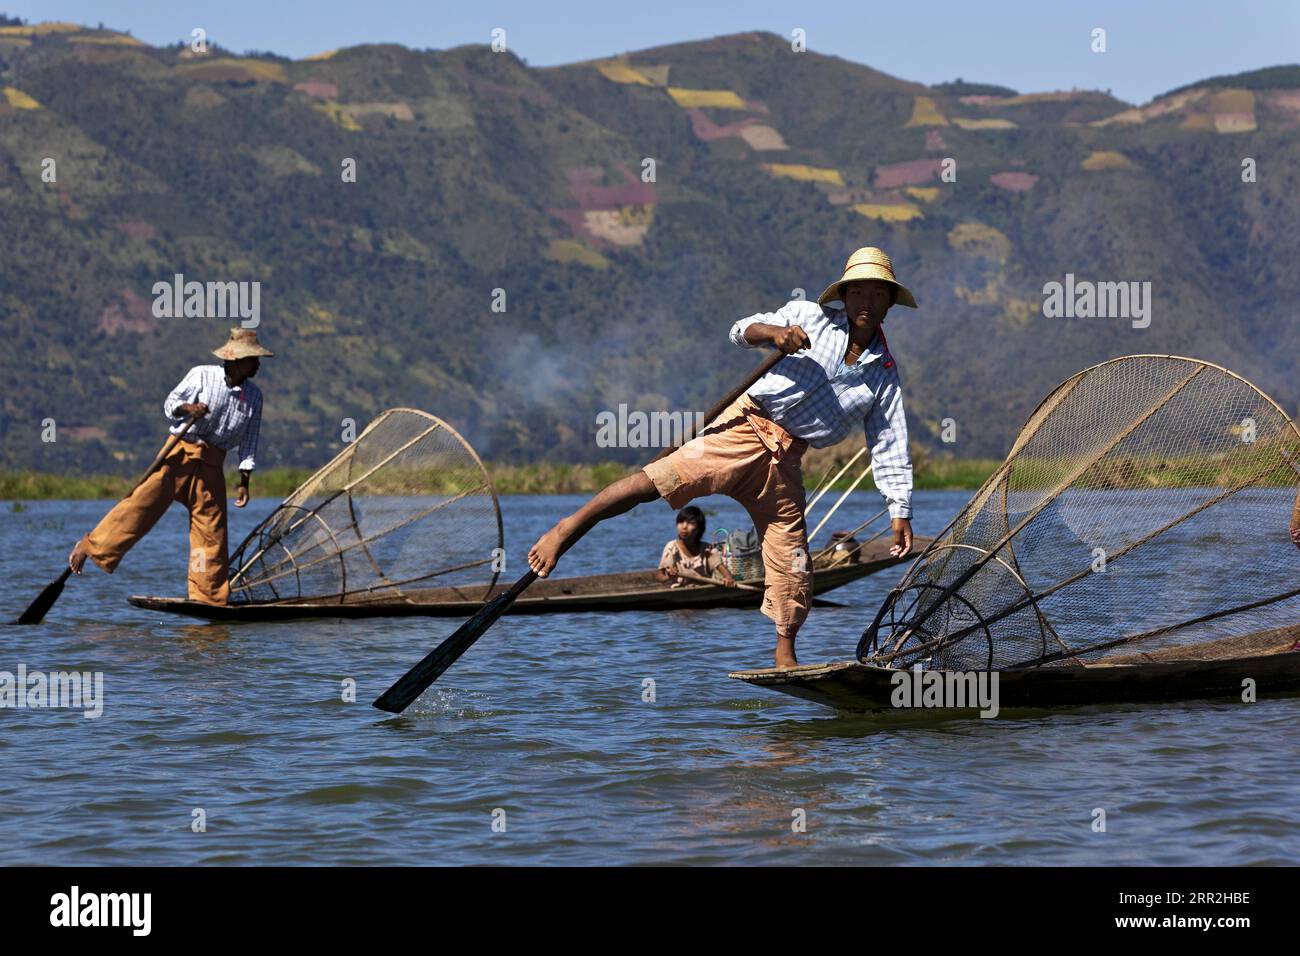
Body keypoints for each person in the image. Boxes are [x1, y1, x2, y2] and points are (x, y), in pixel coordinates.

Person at [528, 246, 917, 668]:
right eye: (857, 293)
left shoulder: (884, 372)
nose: (867, 303)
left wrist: (900, 512)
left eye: (877, 295)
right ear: (843, 297)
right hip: (744, 427)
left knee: (794, 560)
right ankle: (566, 529)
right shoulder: (810, 317)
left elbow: (889, 440)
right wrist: (773, 334)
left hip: (784, 460)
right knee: (653, 482)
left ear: (890, 303)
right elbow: (738, 330)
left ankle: (785, 656)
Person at [67, 328, 273, 605]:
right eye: (253, 359)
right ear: (236, 359)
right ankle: (91, 546)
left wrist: (244, 481)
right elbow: (170, 403)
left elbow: (249, 440)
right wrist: (189, 409)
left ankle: (208, 596)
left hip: (212, 465)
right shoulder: (202, 375)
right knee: (141, 506)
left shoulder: (255, 397)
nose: (258, 364)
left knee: (211, 534)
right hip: (179, 454)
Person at [657, 505, 737, 588]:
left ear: (699, 528)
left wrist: (728, 578)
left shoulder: (707, 549)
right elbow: (659, 576)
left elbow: (723, 570)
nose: (684, 527)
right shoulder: (672, 547)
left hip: (704, 590)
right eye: (681, 522)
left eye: (690, 523)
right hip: (680, 591)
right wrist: (669, 576)